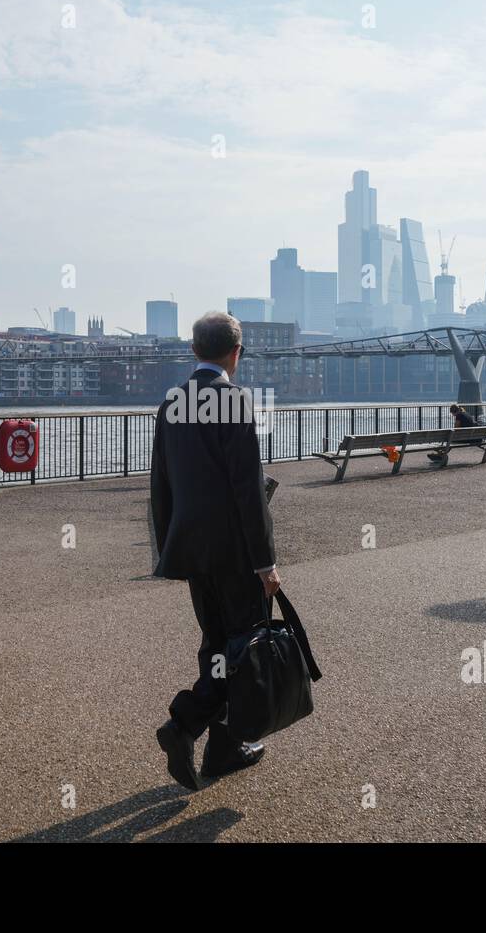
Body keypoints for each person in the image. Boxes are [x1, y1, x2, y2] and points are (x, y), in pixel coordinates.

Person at [150, 311, 278, 791]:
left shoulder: (171, 404)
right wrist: (265, 564)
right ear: (236, 353)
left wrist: (169, 549)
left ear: (194, 351)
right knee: (243, 649)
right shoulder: (235, 401)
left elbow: (160, 486)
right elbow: (247, 491)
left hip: (191, 549)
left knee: (218, 646)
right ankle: (185, 724)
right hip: (235, 553)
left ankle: (225, 748)